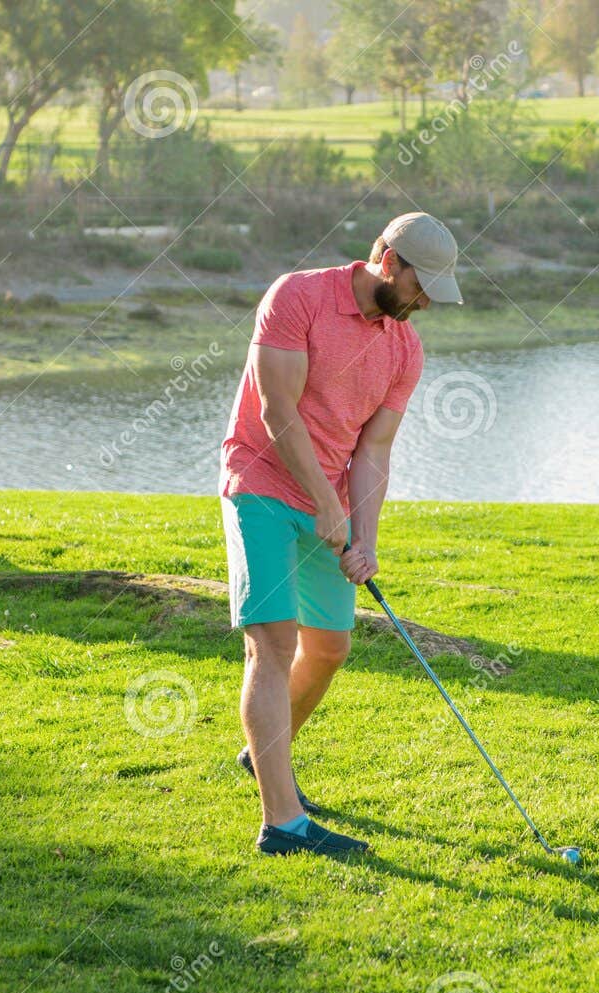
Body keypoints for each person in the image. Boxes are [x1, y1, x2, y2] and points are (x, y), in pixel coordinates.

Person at [217, 211, 463, 858]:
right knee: (273, 644)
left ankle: (262, 753)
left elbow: (374, 451)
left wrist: (365, 538)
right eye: (420, 286)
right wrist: (326, 505)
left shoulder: (404, 347)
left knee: (328, 648)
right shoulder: (297, 296)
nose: (423, 303)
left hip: (328, 499)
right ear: (389, 263)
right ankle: (283, 823)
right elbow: (277, 410)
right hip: (263, 482)